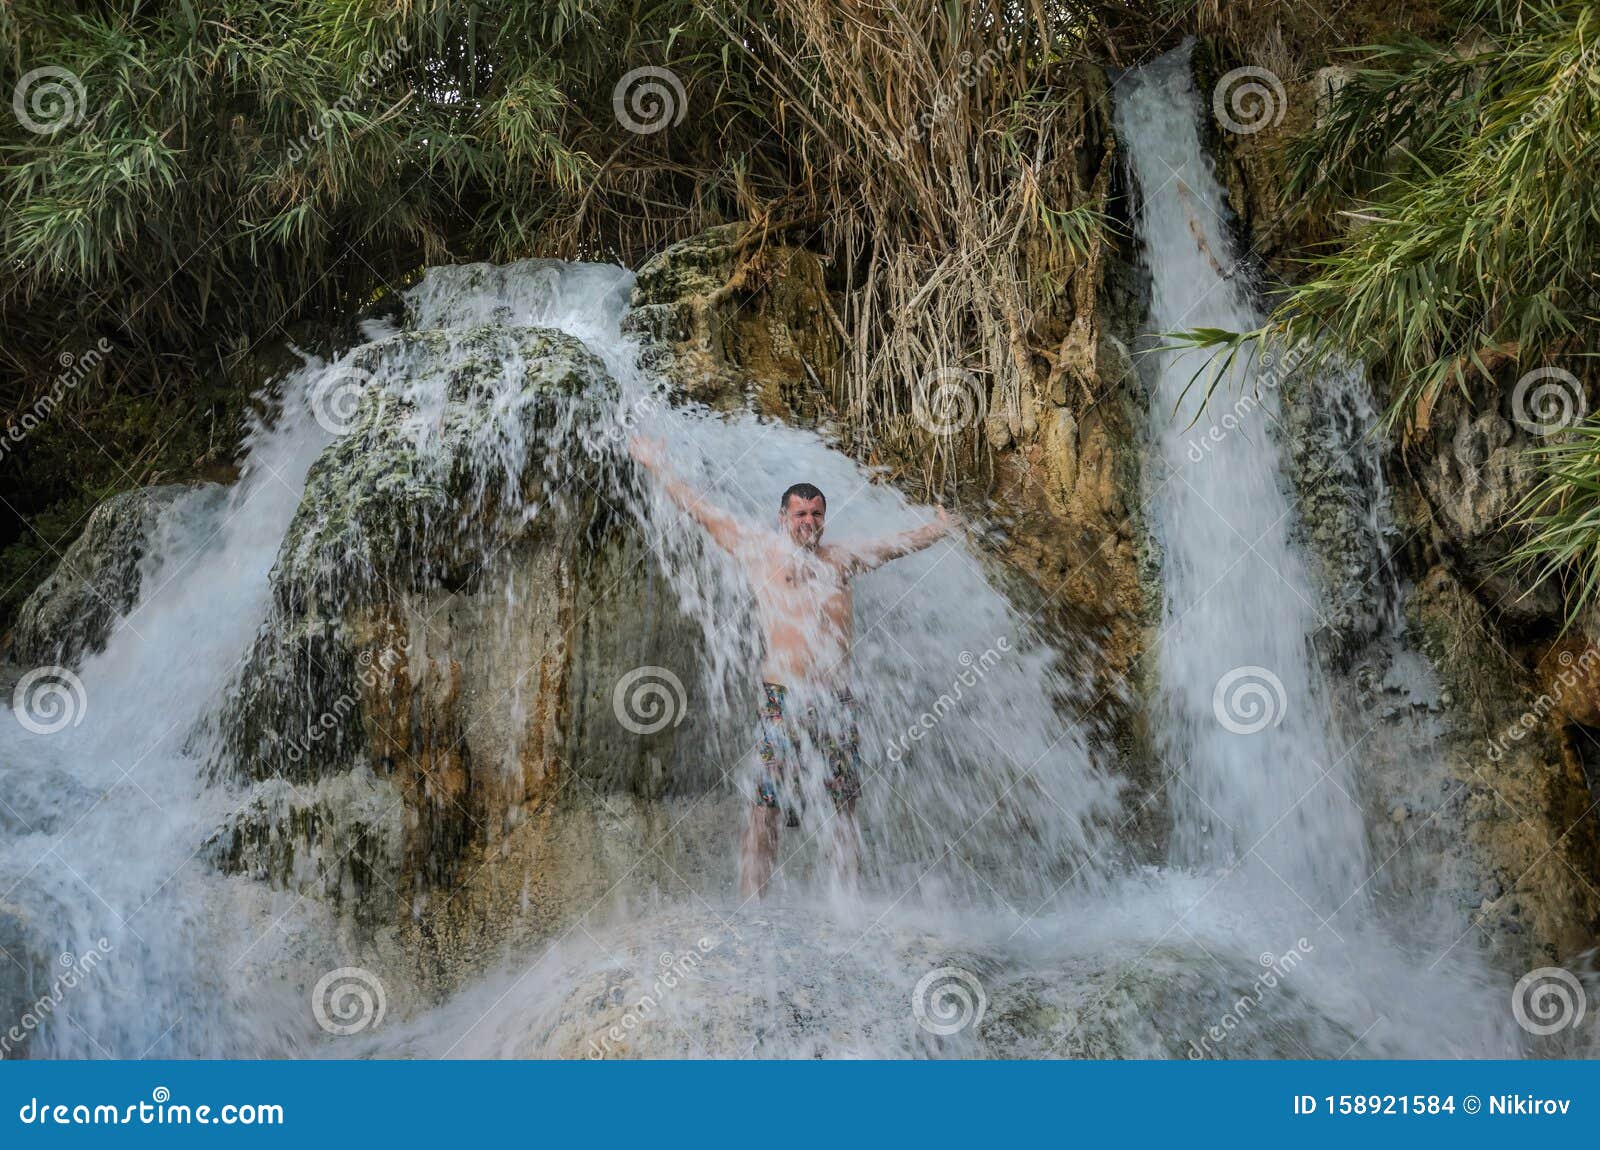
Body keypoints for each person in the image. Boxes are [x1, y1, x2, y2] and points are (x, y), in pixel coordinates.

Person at [629, 435, 958, 899]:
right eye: (800, 513)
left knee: (843, 804)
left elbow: (896, 545)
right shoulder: (758, 549)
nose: (809, 521)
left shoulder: (841, 560)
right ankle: (752, 909)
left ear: (825, 518)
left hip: (836, 701)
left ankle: (847, 907)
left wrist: (939, 529)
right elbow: (697, 509)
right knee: (765, 804)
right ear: (783, 517)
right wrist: (656, 463)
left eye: (816, 513)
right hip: (782, 699)